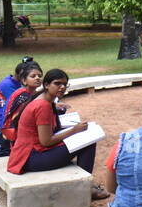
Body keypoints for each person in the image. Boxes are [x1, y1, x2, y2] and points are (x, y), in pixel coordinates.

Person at [8, 68, 108, 200]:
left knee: (82, 138)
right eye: (57, 83)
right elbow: (46, 141)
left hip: (28, 153)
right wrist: (73, 130)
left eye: (64, 84)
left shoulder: (43, 100)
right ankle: (85, 189)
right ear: (46, 85)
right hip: (31, 158)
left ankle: (84, 185)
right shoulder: (42, 106)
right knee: (88, 144)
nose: (62, 87)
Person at [0, 60, 43, 158]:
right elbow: (19, 119)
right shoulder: (20, 94)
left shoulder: (25, 91)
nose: (37, 78)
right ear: (23, 79)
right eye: (33, 76)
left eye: (40, 76)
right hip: (9, 130)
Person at [0, 56, 36, 130]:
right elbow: (24, 104)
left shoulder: (17, 82)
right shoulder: (8, 86)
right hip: (4, 122)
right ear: (22, 76)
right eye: (32, 76)